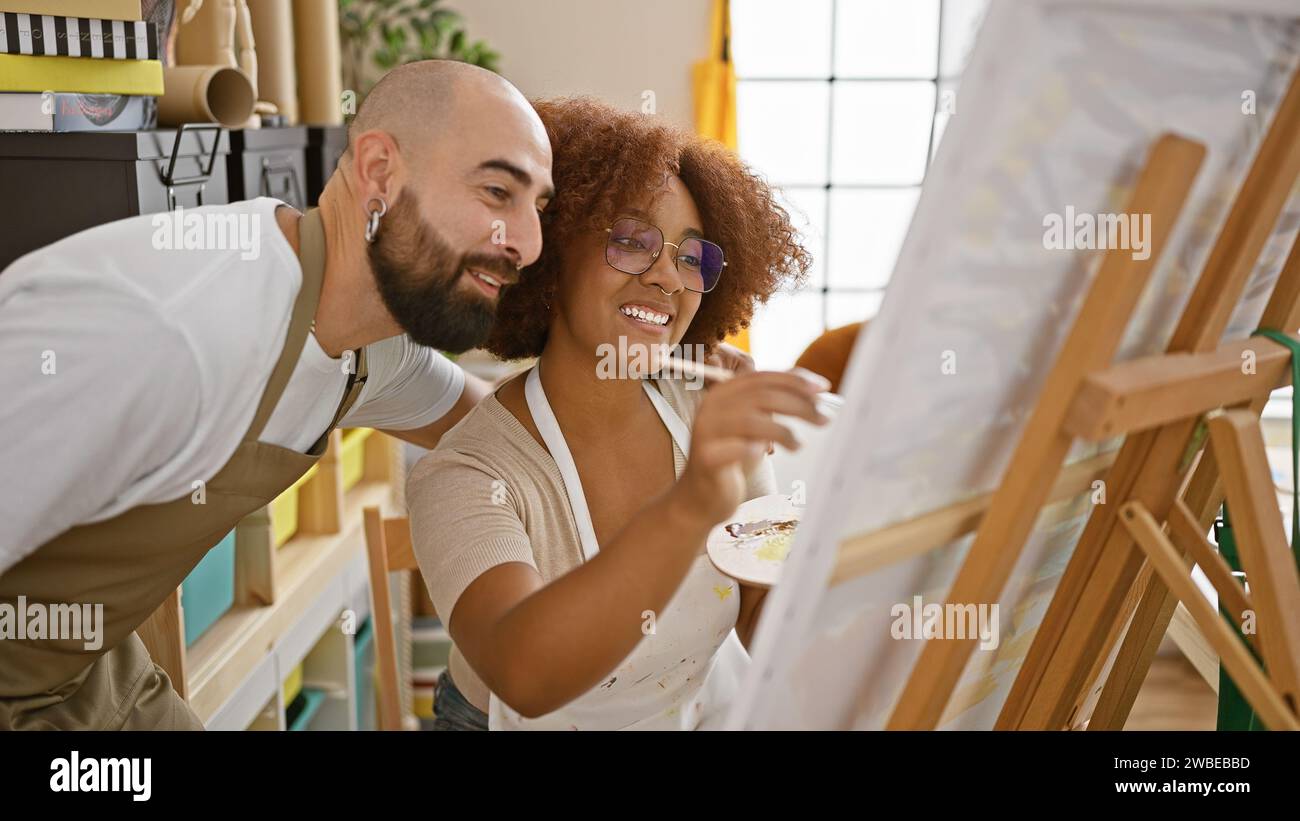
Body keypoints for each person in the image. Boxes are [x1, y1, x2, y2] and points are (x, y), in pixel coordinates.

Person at [0, 60, 555, 730]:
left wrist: (677, 394)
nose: (527, 243)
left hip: (85, 677)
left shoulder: (366, 347)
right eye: (498, 192)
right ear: (379, 173)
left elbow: (513, 430)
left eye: (539, 208)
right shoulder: (172, 333)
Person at [407, 97, 827, 730]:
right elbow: (528, 675)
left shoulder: (707, 409)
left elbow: (760, 610)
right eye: (632, 243)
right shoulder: (466, 473)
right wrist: (695, 502)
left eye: (692, 257)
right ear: (550, 251)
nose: (667, 277)